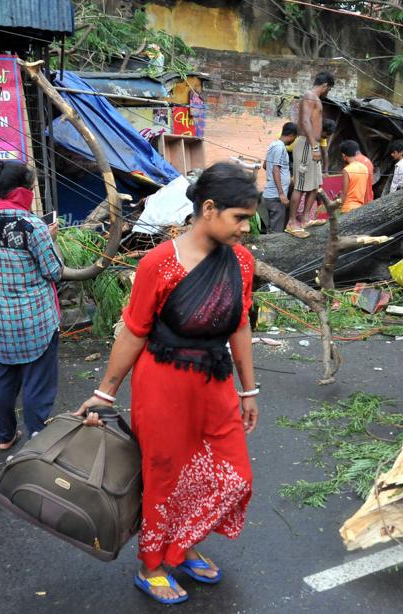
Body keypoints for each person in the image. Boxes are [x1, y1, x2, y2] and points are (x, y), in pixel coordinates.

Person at [74, 162, 260, 605]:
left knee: (232, 473)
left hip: (213, 383)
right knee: (165, 475)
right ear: (209, 209)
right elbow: (135, 330)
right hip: (163, 385)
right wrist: (105, 392)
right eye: (239, 217)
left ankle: (183, 544)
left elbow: (239, 327)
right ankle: (153, 564)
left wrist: (248, 390)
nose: (245, 228)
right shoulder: (160, 263)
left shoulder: (242, 262)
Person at [0, 157, 64, 451]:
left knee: (4, 379)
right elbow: (54, 271)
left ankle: (5, 436)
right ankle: (38, 437)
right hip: (36, 320)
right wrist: (50, 239)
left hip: (0, 321)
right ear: (22, 191)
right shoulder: (31, 226)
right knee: (37, 383)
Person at [286, 71, 335, 238]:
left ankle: (306, 219)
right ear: (326, 86)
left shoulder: (316, 99)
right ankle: (292, 223)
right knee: (300, 186)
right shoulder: (309, 96)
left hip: (312, 145)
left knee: (314, 185)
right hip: (307, 144)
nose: (329, 92)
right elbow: (306, 121)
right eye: (329, 89)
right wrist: (314, 146)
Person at [260, 122, 297, 233]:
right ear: (292, 135)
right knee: (276, 232)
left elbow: (265, 165)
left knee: (271, 229)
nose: (294, 140)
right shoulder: (280, 148)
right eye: (295, 137)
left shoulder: (273, 144)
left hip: (271, 194)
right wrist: (281, 193)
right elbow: (276, 169)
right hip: (276, 197)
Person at [339, 140, 370, 213]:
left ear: (343, 155)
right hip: (360, 208)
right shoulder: (364, 168)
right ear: (356, 153)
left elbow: (344, 193)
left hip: (347, 209)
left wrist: (338, 208)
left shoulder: (346, 170)